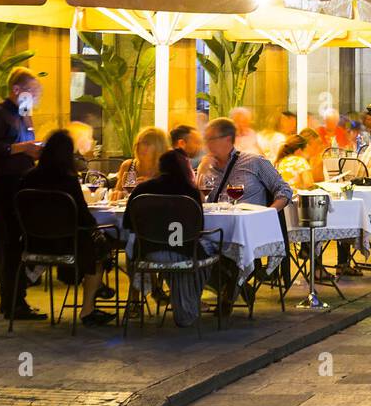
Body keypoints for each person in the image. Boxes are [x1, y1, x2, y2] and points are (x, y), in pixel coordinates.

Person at [196, 117, 293, 314]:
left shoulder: (254, 162)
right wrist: (201, 173)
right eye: (205, 140)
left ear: (228, 139)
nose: (207, 145)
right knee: (191, 249)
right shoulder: (206, 166)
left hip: (248, 231)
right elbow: (199, 204)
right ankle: (236, 285)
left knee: (229, 251)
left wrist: (267, 214)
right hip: (214, 230)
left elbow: (284, 190)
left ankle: (232, 289)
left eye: (211, 139)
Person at [19, 131, 116, 326]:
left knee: (94, 244)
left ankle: (96, 286)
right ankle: (88, 309)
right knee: (101, 249)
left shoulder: (28, 178)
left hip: (34, 243)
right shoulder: (69, 181)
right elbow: (83, 215)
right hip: (67, 244)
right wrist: (97, 228)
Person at [0, 67, 46, 321]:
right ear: (16, 90)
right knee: (10, 243)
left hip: (25, 185)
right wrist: (24, 148)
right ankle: (11, 303)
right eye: (32, 92)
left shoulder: (24, 116)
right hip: (8, 186)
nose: (34, 98)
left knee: (21, 243)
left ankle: (16, 298)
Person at [127, 149, 207, 327]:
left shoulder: (142, 189)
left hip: (147, 254)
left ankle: (142, 301)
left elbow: (128, 223)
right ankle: (187, 303)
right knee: (210, 250)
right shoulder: (190, 192)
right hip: (183, 252)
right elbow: (198, 229)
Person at [115, 127, 170, 197]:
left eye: (147, 144)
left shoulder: (166, 168)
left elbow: (173, 196)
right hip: (132, 207)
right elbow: (118, 191)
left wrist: (151, 185)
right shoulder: (128, 166)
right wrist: (118, 194)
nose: (141, 147)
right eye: (139, 143)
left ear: (159, 147)